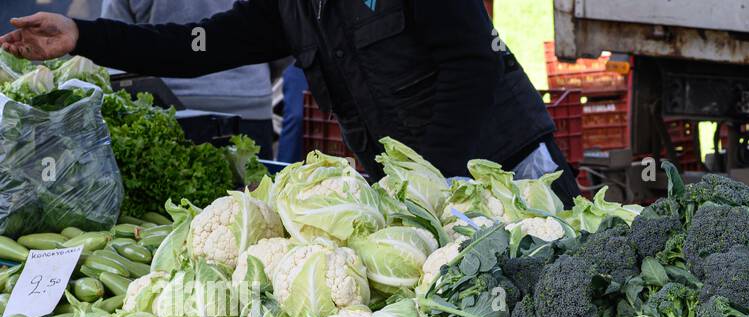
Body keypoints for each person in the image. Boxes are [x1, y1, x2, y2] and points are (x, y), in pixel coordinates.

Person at [0, 1, 581, 203]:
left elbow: (471, 61)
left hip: (510, 171)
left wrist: (432, 179)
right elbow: (197, 44)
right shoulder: (288, 4)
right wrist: (85, 37)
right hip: (424, 192)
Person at [100, 0, 275, 157]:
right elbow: (283, 34)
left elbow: (117, 43)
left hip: (165, 107)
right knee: (257, 190)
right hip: (249, 101)